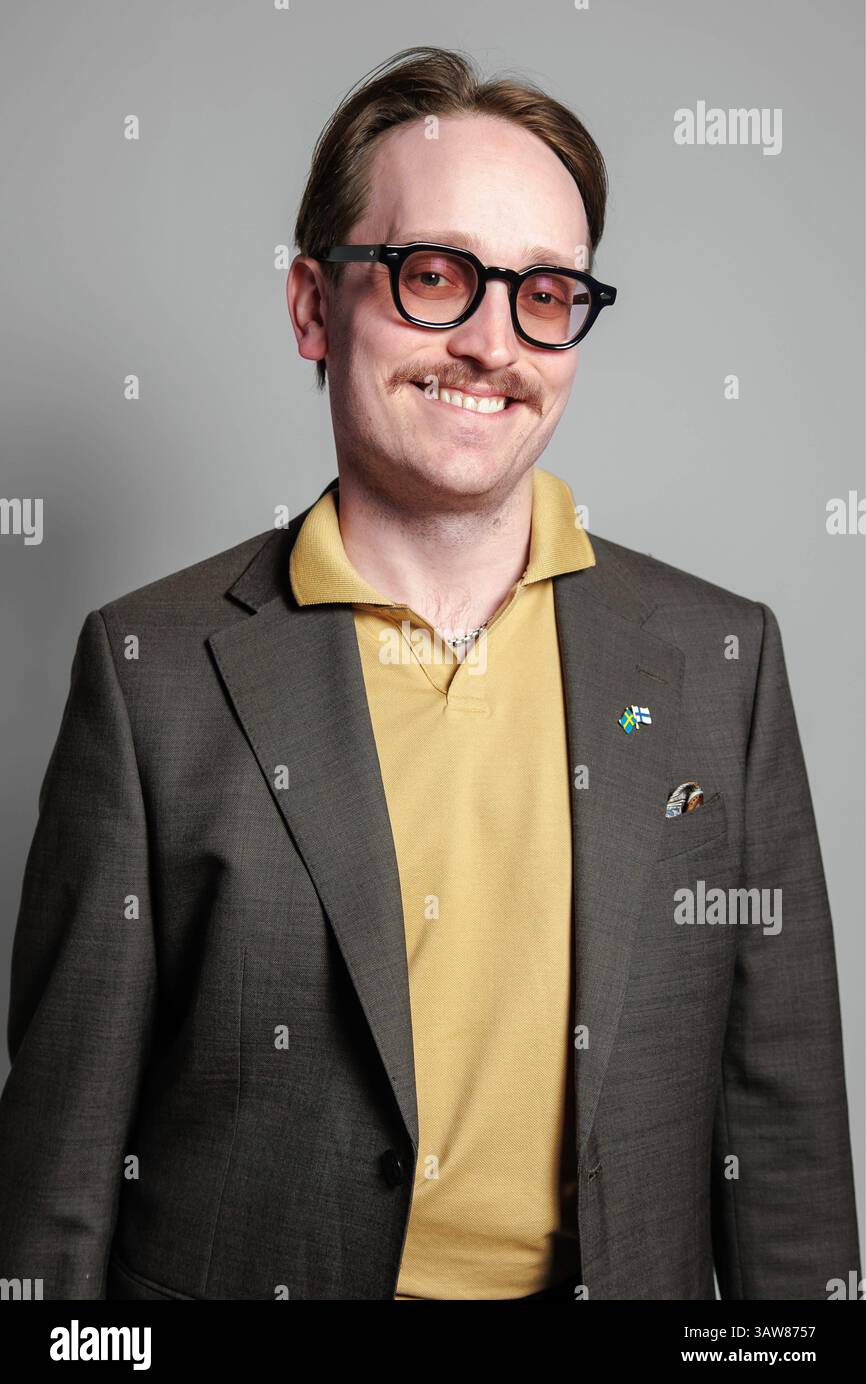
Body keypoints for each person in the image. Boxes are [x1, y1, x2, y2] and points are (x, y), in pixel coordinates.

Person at [0, 46, 858, 1302]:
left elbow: (779, 1146)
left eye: (546, 292)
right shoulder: (152, 673)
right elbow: (59, 1185)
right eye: (435, 276)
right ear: (311, 303)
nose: (490, 344)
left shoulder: (717, 663)